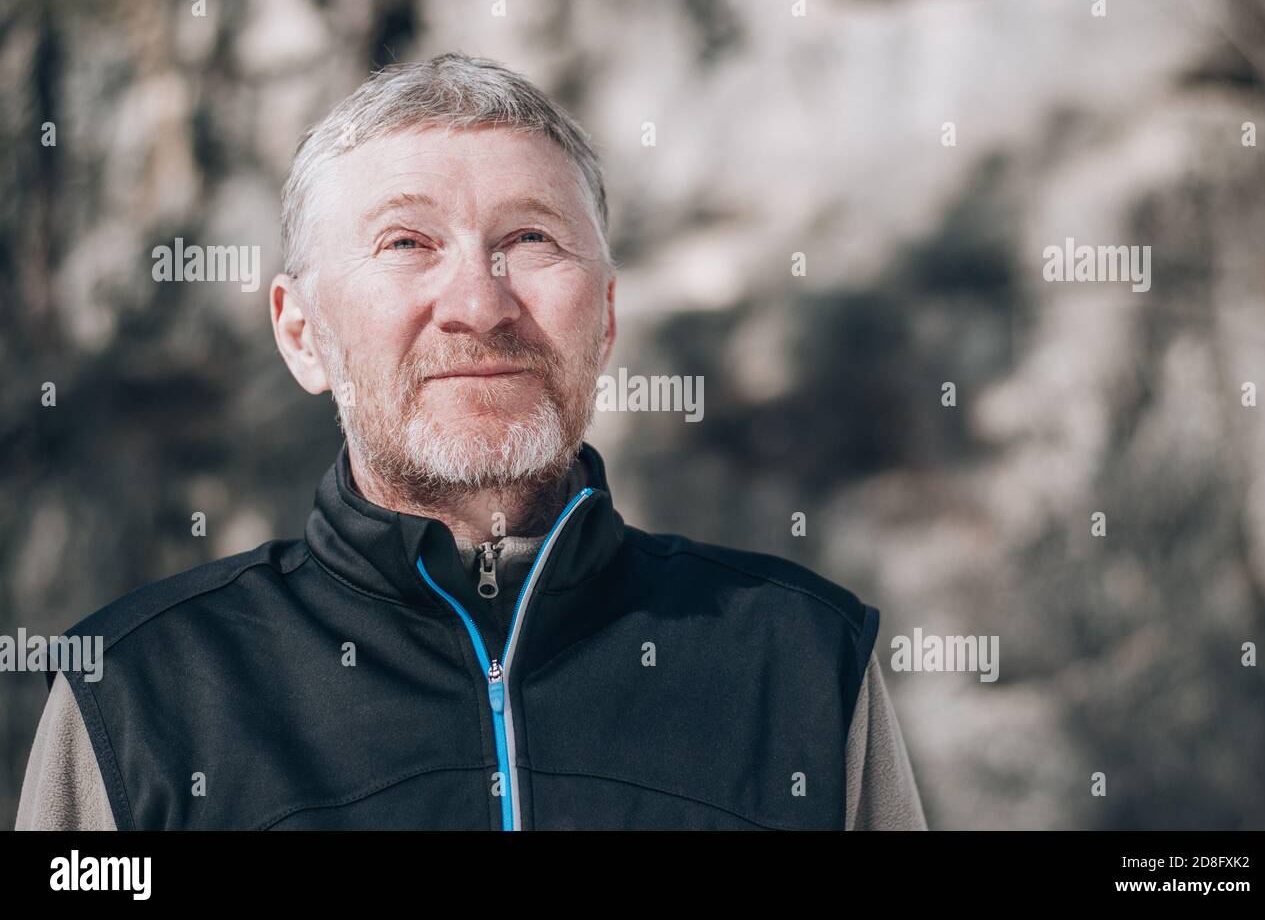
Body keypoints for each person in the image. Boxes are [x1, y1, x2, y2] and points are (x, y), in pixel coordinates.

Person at [16, 53, 926, 831]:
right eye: (406, 243)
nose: (479, 307)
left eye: (529, 238)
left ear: (604, 320)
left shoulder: (802, 660)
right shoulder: (140, 691)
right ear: (302, 334)